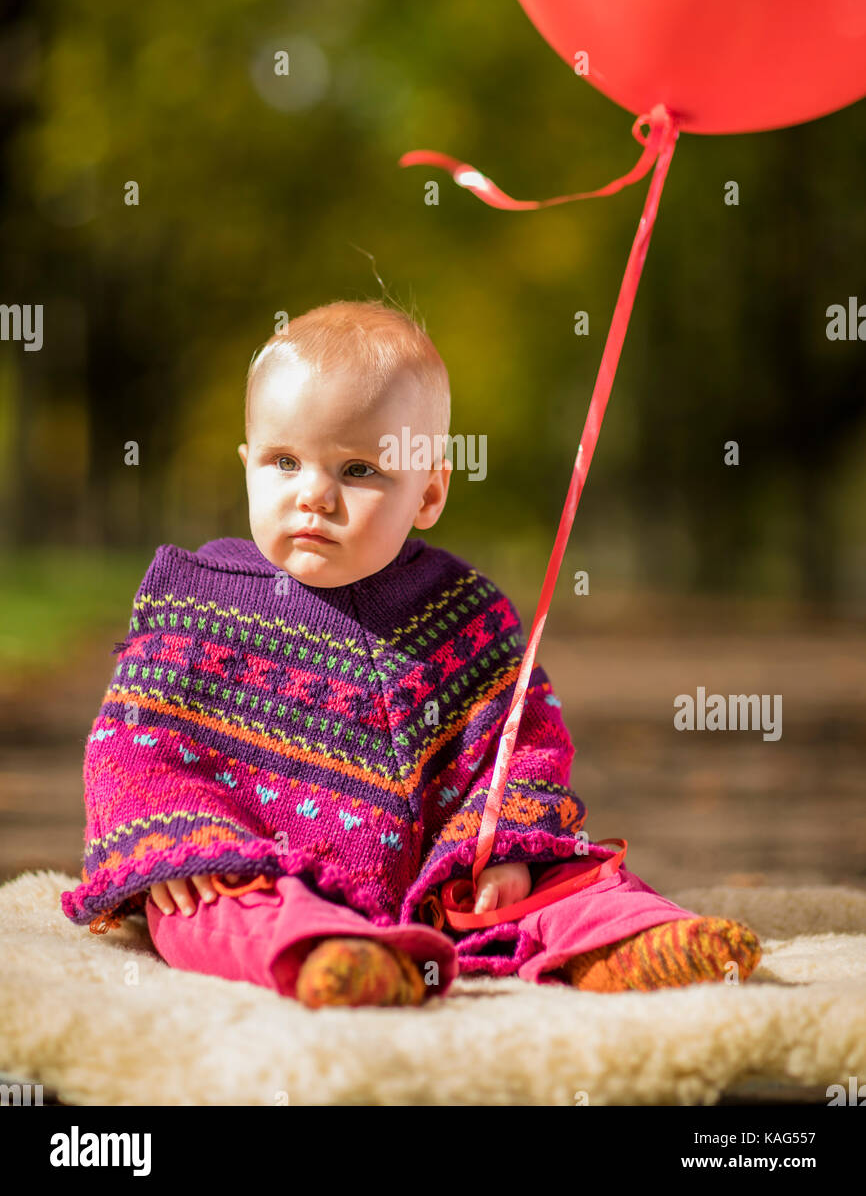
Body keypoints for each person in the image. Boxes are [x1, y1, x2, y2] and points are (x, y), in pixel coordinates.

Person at [61, 299, 761, 1007]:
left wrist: (505, 843)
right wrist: (178, 839)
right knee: (200, 909)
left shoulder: (461, 614)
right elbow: (133, 744)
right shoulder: (199, 604)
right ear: (247, 465)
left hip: (441, 880)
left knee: (568, 879)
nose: (314, 496)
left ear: (429, 491)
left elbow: (518, 745)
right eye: (283, 461)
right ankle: (322, 954)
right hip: (253, 865)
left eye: (358, 469)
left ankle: (629, 939)